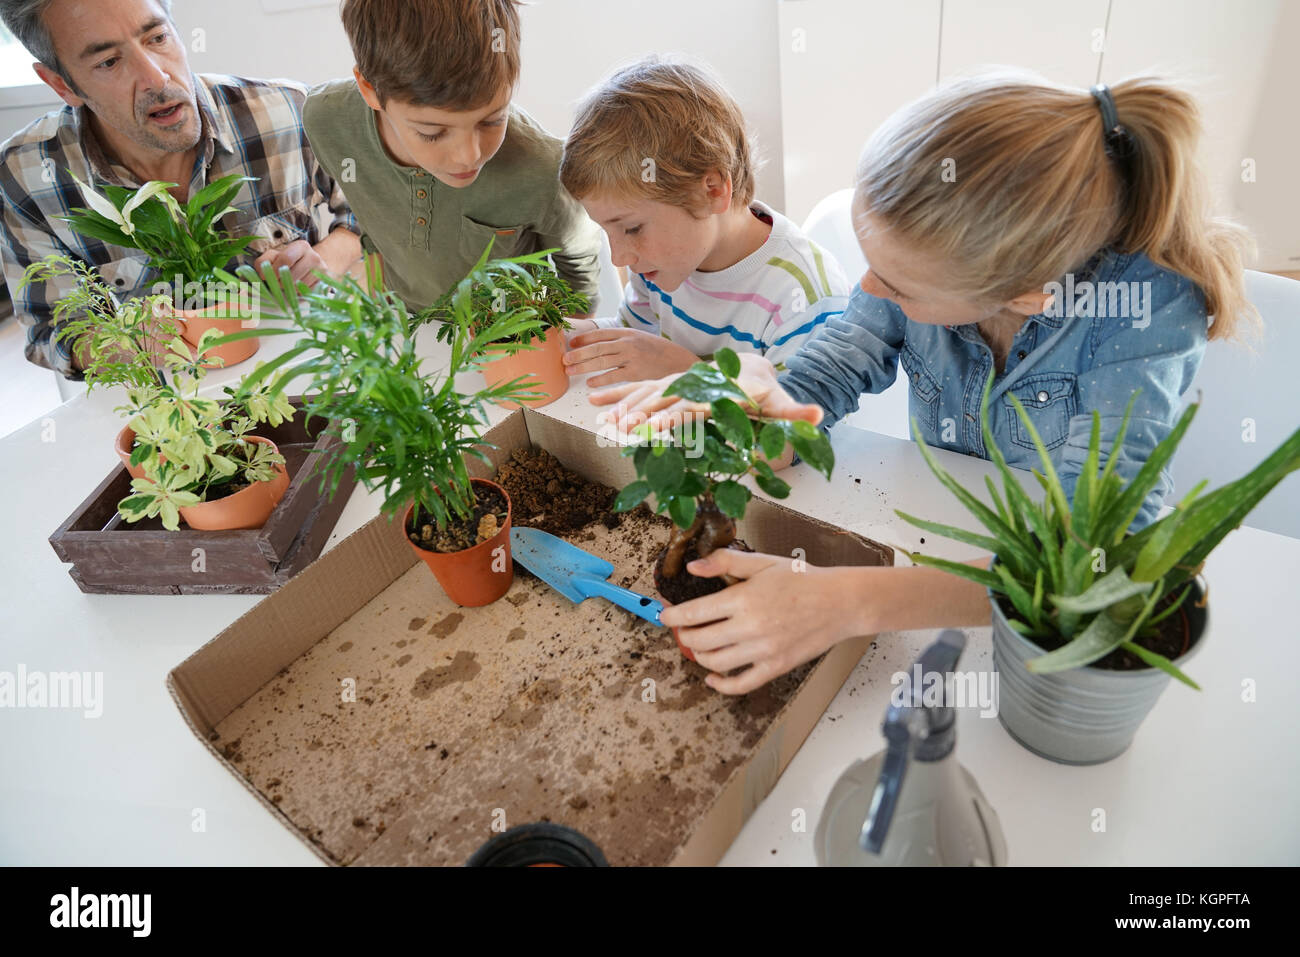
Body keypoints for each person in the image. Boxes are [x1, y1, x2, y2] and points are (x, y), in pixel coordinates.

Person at [591, 73, 1257, 694]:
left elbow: (1091, 557)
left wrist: (846, 601)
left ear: (1023, 296)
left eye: (900, 284)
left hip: (1055, 648)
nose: (869, 287)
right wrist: (773, 401)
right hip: (941, 536)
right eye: (871, 263)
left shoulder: (1142, 319)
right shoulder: (926, 250)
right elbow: (845, 350)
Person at [0, 0, 362, 380]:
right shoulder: (25, 174)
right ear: (61, 84)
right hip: (168, 409)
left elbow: (367, 218)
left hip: (303, 375)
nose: (157, 78)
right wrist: (118, 344)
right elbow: (51, 329)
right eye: (109, 61)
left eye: (157, 37)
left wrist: (328, 259)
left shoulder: (289, 111)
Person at [559, 56, 851, 388]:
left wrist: (688, 372)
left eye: (632, 228)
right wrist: (566, 334)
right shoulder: (661, 265)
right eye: (606, 230)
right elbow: (637, 337)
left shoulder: (802, 298)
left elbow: (795, 433)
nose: (619, 258)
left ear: (711, 191)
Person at [302, 0, 602, 311]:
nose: (468, 156)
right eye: (432, 132)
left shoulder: (542, 168)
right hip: (402, 321)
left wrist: (566, 332)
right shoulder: (326, 122)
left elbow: (578, 268)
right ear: (369, 89)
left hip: (508, 338)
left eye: (492, 120)